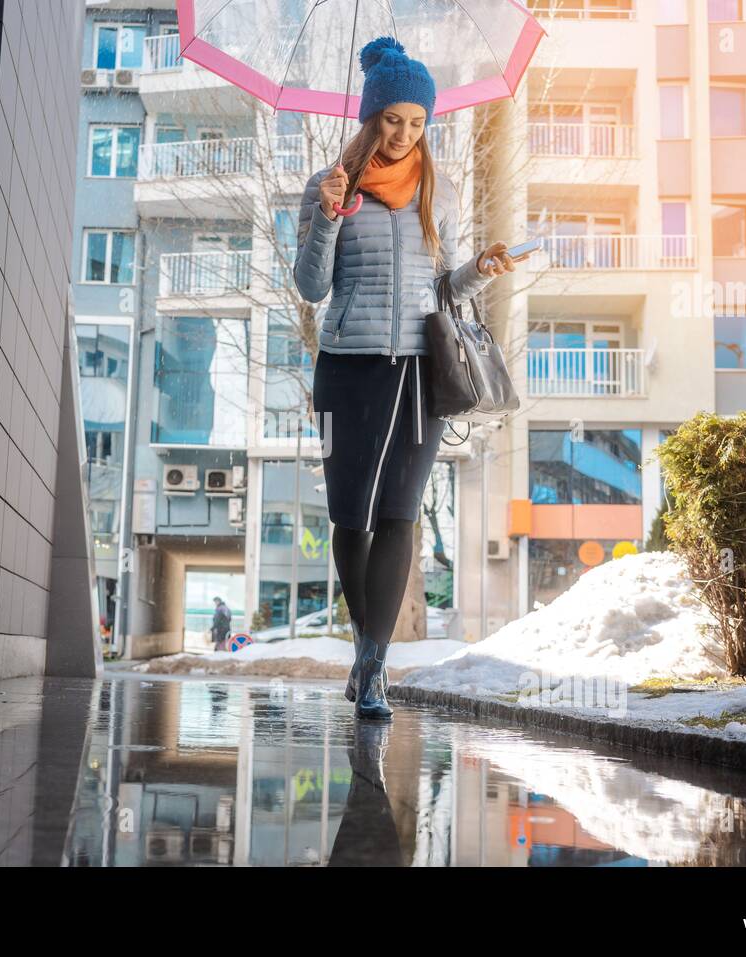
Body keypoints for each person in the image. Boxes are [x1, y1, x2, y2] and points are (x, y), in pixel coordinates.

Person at [293, 37, 517, 721]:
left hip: (421, 372)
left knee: (400, 514)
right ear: (371, 116)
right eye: (394, 119)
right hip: (348, 369)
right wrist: (329, 219)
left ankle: (373, 665)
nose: (405, 133)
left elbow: (440, 286)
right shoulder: (329, 185)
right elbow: (310, 287)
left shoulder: (438, 192)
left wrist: (479, 269)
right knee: (350, 516)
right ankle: (369, 654)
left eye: (418, 122)